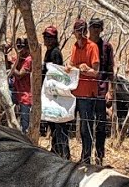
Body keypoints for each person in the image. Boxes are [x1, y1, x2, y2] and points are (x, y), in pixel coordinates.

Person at [68, 18, 101, 164]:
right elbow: (71, 65)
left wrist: (86, 70)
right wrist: (69, 67)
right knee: (70, 123)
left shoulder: (92, 47)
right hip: (75, 92)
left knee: (86, 128)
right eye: (77, 31)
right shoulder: (74, 46)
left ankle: (86, 158)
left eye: (82, 30)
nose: (79, 34)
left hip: (88, 93)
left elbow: (96, 72)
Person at [39, 25, 70, 156]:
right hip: (49, 92)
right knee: (52, 122)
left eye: (49, 37)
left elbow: (56, 72)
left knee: (58, 123)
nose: (46, 39)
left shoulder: (55, 52)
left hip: (55, 92)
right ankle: (56, 149)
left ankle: (62, 151)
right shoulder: (48, 51)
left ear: (54, 39)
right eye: (45, 36)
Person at [87, 17, 113, 164]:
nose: (96, 29)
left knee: (101, 126)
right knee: (87, 124)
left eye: (98, 26)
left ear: (102, 29)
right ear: (89, 28)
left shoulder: (106, 46)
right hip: (86, 90)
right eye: (93, 26)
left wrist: (111, 91)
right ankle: (86, 156)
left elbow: (110, 70)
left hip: (102, 90)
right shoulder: (84, 45)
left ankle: (99, 156)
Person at [11, 37, 34, 132]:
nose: (20, 49)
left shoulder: (29, 60)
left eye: (22, 47)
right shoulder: (18, 58)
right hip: (16, 92)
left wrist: (12, 67)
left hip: (26, 95)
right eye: (18, 46)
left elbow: (20, 74)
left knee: (25, 125)